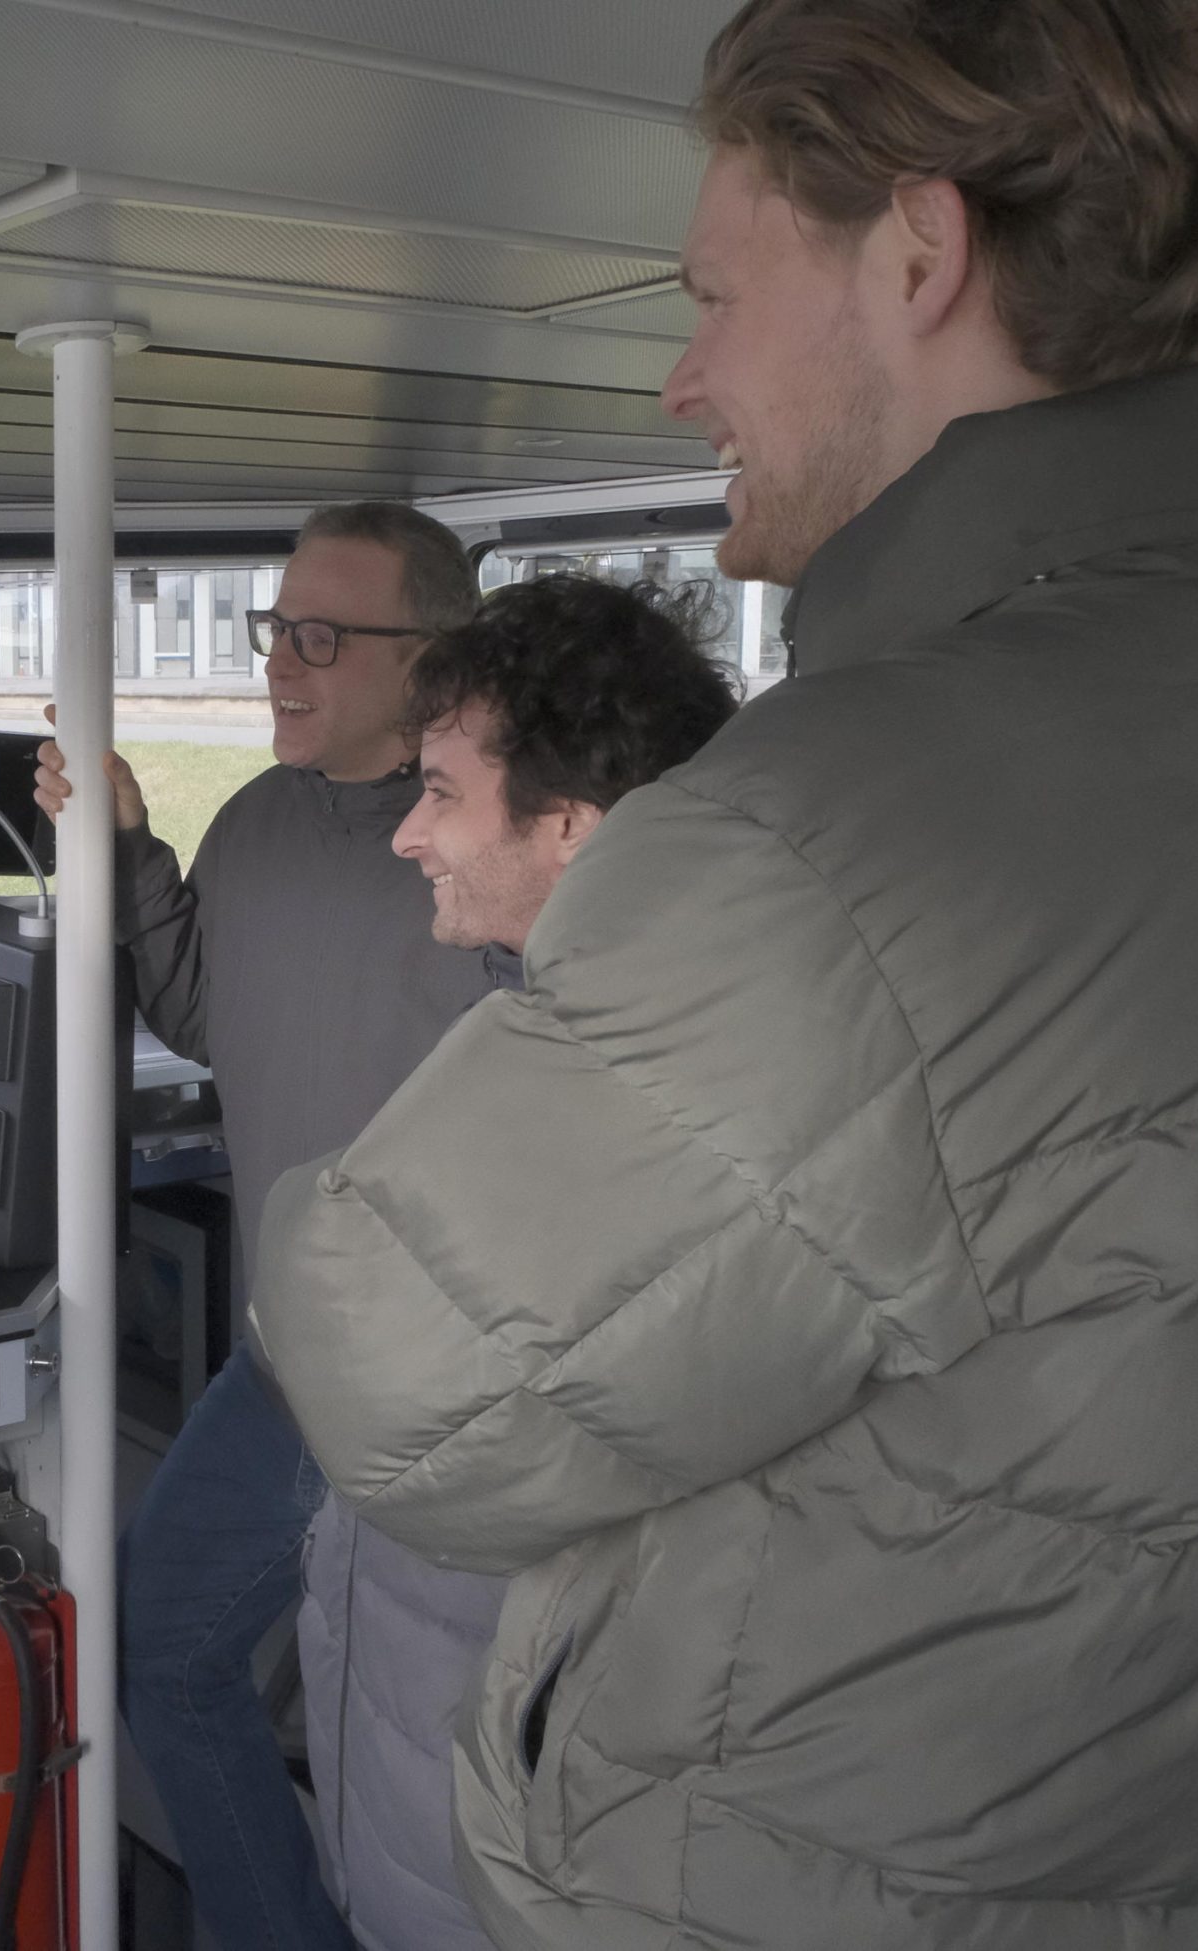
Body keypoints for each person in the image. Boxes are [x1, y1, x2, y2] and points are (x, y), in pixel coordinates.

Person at [253, 2, 1198, 1945]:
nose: (681, 378)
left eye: (710, 297)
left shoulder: (841, 814)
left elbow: (401, 1384)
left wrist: (296, 1216)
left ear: (918, 253)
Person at [33, 503, 497, 1951]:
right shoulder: (256, 819)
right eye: (275, 627)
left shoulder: (488, 861)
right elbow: (204, 1012)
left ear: (433, 661)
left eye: (323, 636)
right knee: (158, 1648)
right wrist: (128, 853)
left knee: (422, 1750)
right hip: (286, 1359)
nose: (280, 663)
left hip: (440, 1385)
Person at [295, 574, 737, 1951]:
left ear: (570, 825)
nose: (406, 834)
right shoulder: (532, 1028)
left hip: (508, 1823)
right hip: (418, 1756)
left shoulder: (662, 1091)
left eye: (440, 792)